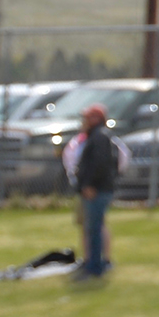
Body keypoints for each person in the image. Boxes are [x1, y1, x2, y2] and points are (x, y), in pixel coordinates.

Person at [62, 103, 128, 281]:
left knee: (94, 229)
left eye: (87, 117)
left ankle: (95, 268)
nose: (83, 121)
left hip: (97, 191)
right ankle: (91, 264)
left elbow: (99, 165)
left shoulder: (99, 137)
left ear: (97, 119)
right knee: (91, 228)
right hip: (96, 189)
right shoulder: (95, 136)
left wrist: (90, 185)